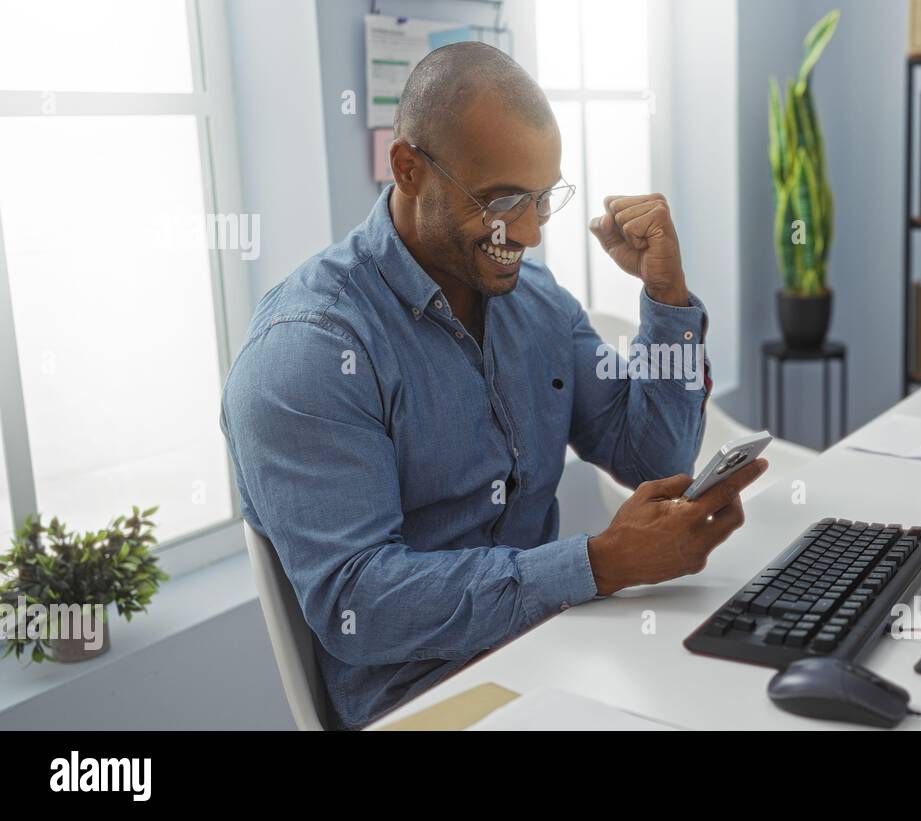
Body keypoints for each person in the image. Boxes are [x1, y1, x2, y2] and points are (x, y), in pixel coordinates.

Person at [220, 42, 766, 729]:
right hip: (428, 702)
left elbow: (657, 461)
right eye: (504, 200)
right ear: (408, 168)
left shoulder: (535, 302)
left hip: (559, 649)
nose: (532, 231)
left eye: (543, 198)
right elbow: (362, 605)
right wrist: (596, 565)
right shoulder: (308, 350)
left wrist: (667, 295)